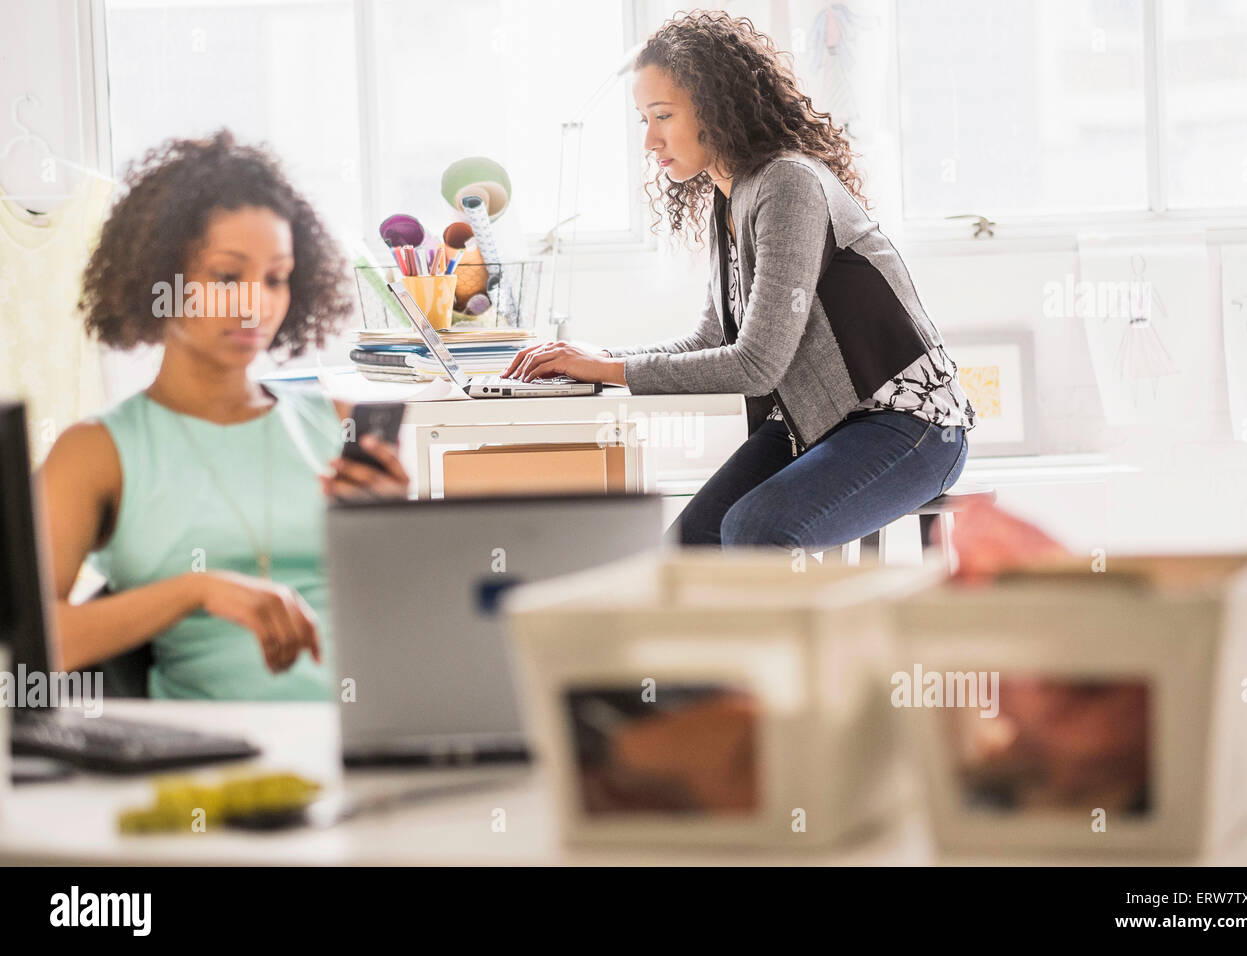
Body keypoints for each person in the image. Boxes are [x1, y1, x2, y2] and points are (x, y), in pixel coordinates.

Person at [506, 10, 977, 551]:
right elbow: (711, 342)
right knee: (686, 551)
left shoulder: (787, 184)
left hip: (907, 425)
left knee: (755, 530)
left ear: (714, 106)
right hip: (816, 422)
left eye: (663, 116)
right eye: (645, 120)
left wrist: (611, 369)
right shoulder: (731, 195)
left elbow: (758, 363)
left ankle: (816, 638)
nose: (650, 142)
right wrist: (598, 358)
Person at [38, 130, 408, 700]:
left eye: (276, 278)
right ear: (156, 275)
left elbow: (403, 611)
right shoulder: (96, 452)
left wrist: (395, 531)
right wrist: (194, 590)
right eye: (227, 276)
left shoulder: (337, 423)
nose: (255, 304)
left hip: (376, 726)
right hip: (215, 760)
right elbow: (30, 645)